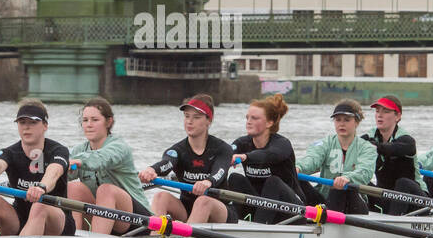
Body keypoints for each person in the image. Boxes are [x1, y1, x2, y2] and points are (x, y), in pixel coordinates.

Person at [0, 99, 75, 238]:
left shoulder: (58, 151)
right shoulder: (10, 152)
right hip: (20, 218)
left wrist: (42, 187)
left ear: (45, 126)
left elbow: (54, 172)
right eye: (22, 122)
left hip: (58, 220)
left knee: (39, 206)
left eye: (33, 122)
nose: (26, 127)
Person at [138, 94, 235, 224]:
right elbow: (166, 163)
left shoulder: (223, 149)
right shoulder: (177, 150)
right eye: (187, 116)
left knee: (202, 201)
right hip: (187, 209)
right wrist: (151, 170)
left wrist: (208, 182)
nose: (189, 121)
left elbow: (220, 171)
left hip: (220, 210)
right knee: (160, 197)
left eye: (196, 117)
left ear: (208, 121)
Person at [66, 97, 150, 234]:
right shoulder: (78, 151)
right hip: (103, 216)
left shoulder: (119, 147)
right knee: (73, 187)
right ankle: (73, 237)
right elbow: (63, 177)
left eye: (95, 120)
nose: (88, 124)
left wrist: (79, 161)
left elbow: (101, 159)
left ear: (108, 122)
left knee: (106, 190)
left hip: (138, 221)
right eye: (85, 120)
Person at [226, 93, 303, 224]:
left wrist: (245, 157)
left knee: (273, 182)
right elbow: (225, 153)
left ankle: (258, 228)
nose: (248, 121)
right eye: (247, 118)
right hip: (261, 205)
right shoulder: (242, 143)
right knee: (234, 178)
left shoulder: (282, 143)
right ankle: (234, 223)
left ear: (269, 123)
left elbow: (269, 155)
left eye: (255, 118)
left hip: (292, 209)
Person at [297, 100, 376, 215]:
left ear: (357, 122)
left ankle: (327, 226)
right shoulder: (326, 143)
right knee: (296, 178)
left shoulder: (367, 148)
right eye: (338, 120)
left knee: (338, 189)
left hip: (354, 203)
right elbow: (312, 158)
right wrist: (298, 167)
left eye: (347, 120)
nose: (341, 124)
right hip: (325, 201)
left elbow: (365, 172)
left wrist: (347, 178)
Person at [360, 94, 426, 214]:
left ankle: (391, 221)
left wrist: (372, 146)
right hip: (387, 198)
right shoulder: (368, 137)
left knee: (403, 182)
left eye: (386, 111)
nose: (380, 115)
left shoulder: (407, 140)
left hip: (418, 201)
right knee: (358, 180)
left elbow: (392, 149)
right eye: (377, 111)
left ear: (398, 116)